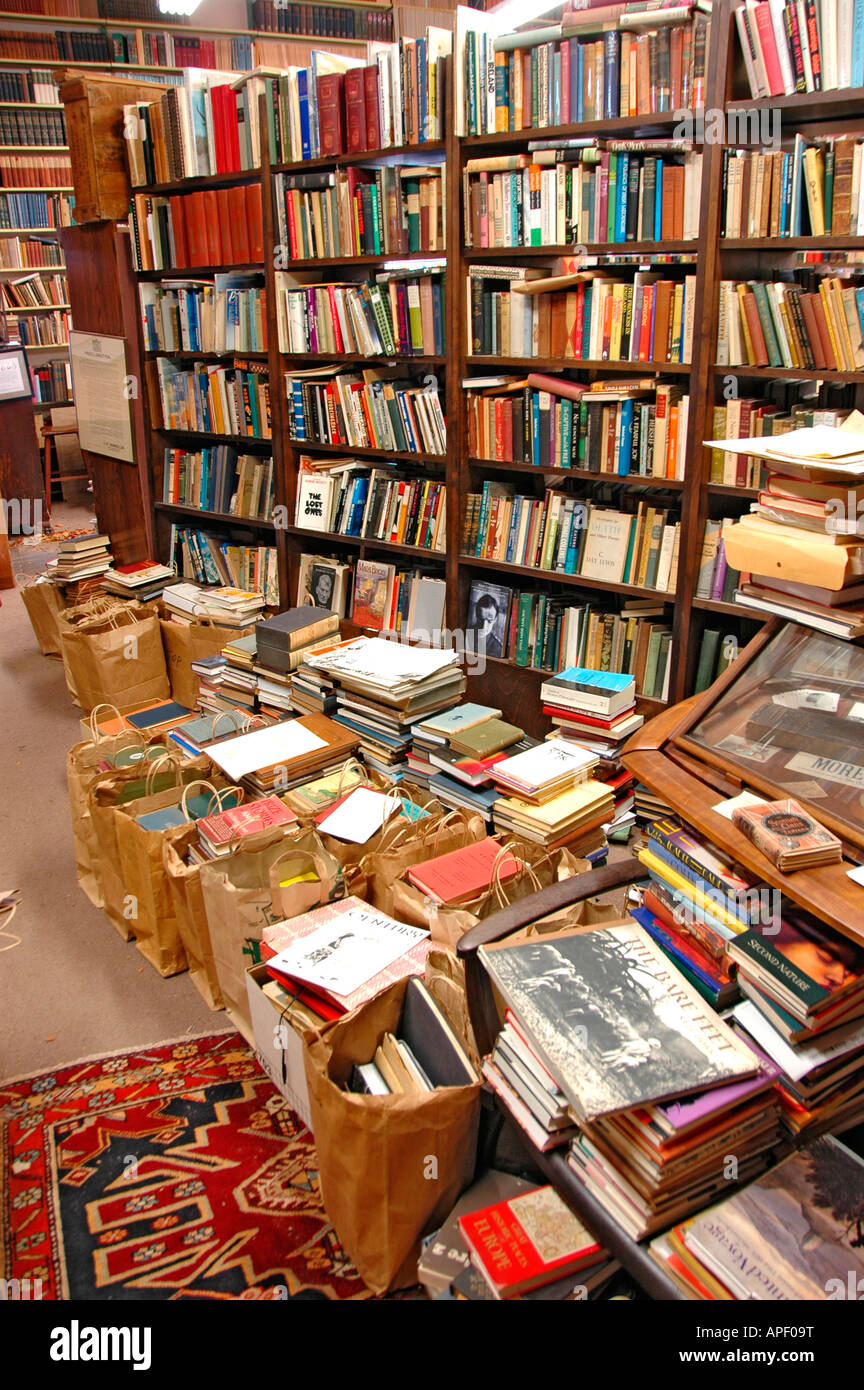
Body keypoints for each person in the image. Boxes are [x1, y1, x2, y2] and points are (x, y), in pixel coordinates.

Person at [471, 592, 503, 658]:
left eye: (489, 621)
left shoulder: (498, 648)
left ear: (495, 620)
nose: (484, 627)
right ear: (476, 615)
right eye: (480, 620)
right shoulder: (464, 633)